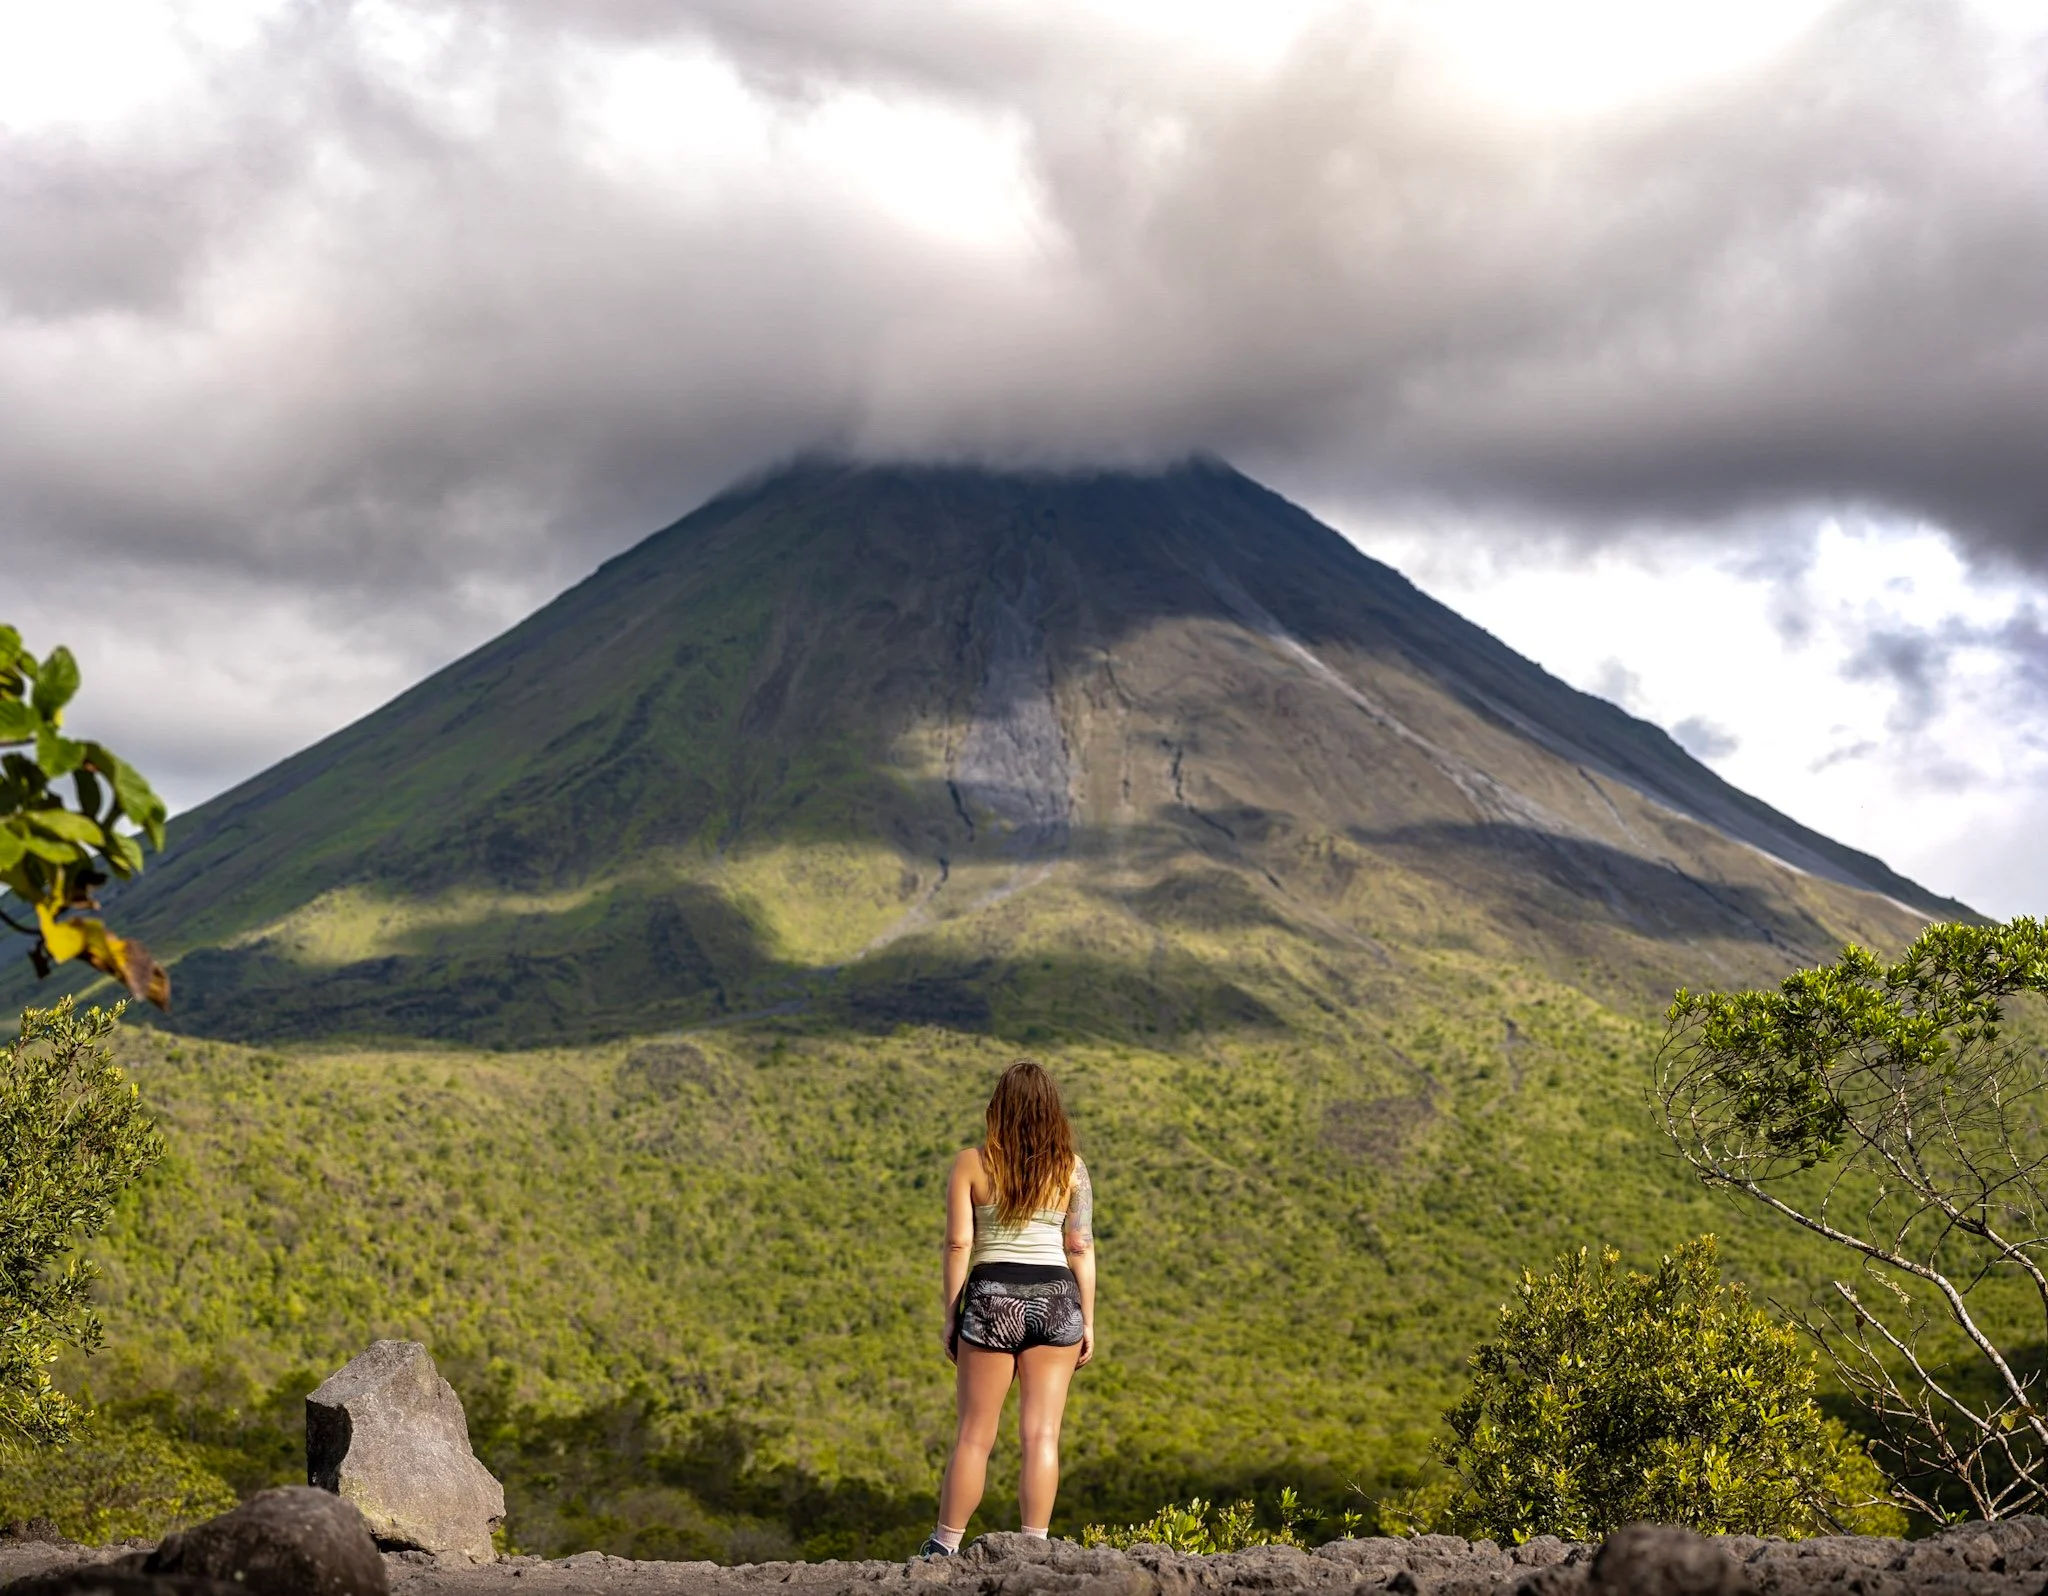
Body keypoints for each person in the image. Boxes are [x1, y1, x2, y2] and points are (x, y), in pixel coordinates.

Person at [919, 1059, 1095, 1557]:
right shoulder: (1072, 1168)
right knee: (1042, 1435)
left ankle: (944, 1546)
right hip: (1058, 1299)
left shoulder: (970, 1163)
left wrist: (952, 1315)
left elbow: (958, 1244)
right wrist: (1087, 1320)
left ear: (997, 1109)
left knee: (974, 1436)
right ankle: (1034, 1548)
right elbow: (1079, 1246)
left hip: (991, 1300)